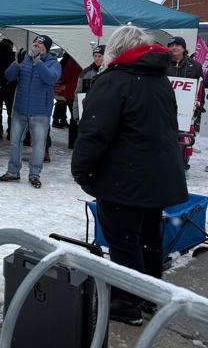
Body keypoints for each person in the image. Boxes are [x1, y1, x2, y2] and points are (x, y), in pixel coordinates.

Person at [72, 25, 188, 326]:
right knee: (148, 237)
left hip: (124, 176)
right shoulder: (159, 78)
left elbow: (94, 131)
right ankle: (150, 294)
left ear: (116, 49)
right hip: (156, 173)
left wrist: (81, 168)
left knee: (124, 241)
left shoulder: (114, 80)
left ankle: (127, 302)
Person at [0, 35, 61, 188]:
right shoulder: (25, 60)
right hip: (20, 109)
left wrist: (38, 62)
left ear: (46, 48)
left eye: (40, 43)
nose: (36, 44)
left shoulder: (54, 63)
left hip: (40, 111)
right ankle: (13, 171)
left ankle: (34, 174)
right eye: (35, 42)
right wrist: (17, 63)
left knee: (38, 144)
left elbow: (50, 79)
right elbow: (8, 76)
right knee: (15, 142)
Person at [166, 36, 205, 170]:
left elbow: (200, 89)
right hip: (166, 108)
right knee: (166, 137)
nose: (174, 48)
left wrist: (199, 108)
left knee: (184, 139)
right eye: (171, 45)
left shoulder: (195, 66)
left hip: (186, 112)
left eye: (177, 45)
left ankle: (183, 165)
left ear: (183, 48)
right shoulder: (162, 64)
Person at [72, 45, 105, 124]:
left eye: (99, 56)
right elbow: (78, 94)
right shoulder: (85, 73)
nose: (97, 58)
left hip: (106, 113)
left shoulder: (111, 71)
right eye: (95, 56)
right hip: (89, 112)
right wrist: (77, 115)